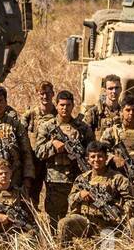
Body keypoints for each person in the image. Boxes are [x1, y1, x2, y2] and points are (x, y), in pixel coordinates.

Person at [56, 142, 134, 245]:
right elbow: (70, 199)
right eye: (93, 157)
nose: (96, 160)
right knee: (64, 223)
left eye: (100, 156)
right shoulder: (82, 179)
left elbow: (131, 200)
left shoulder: (118, 178)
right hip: (86, 221)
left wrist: (120, 215)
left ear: (106, 158)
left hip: (109, 224)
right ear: (88, 159)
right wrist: (80, 195)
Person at [34, 91, 93, 230]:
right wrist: (52, 146)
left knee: (76, 216)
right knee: (54, 218)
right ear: (56, 105)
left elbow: (92, 152)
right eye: (61, 105)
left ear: (73, 106)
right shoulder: (47, 127)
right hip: (55, 180)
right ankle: (55, 247)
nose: (64, 108)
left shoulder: (83, 128)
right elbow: (38, 152)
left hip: (78, 178)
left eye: (68, 105)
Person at [81, 74, 124, 141]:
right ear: (105, 90)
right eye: (110, 88)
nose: (114, 91)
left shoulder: (124, 112)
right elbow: (83, 135)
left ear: (121, 89)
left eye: (116, 88)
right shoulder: (94, 112)